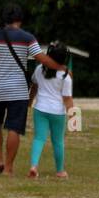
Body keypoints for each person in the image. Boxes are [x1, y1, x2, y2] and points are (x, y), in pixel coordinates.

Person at [0, 4, 66, 175]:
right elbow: (42, 58)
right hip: (17, 90)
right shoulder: (27, 37)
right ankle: (9, 168)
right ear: (20, 19)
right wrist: (61, 68)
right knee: (14, 128)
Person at [27, 41, 74, 180]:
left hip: (40, 109)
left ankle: (34, 166)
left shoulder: (39, 69)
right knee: (58, 141)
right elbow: (67, 99)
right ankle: (60, 170)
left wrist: (29, 102)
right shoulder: (65, 76)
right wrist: (73, 116)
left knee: (39, 138)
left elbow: (34, 87)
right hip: (57, 112)